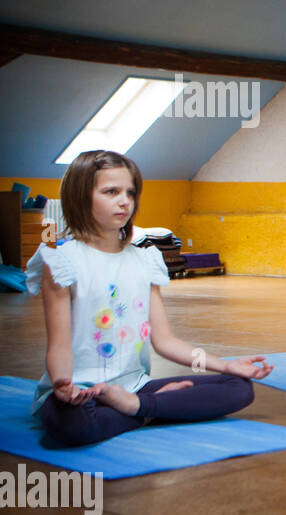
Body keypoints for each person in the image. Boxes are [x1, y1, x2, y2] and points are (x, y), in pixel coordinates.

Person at [28, 150, 271, 446]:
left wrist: (226, 365)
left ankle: (136, 407)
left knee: (239, 388)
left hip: (135, 387)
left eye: (130, 192)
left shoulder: (145, 261)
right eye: (111, 192)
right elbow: (59, 346)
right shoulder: (62, 262)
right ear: (80, 196)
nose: (124, 201)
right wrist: (62, 384)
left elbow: (165, 342)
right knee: (70, 425)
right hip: (82, 391)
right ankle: (152, 411)